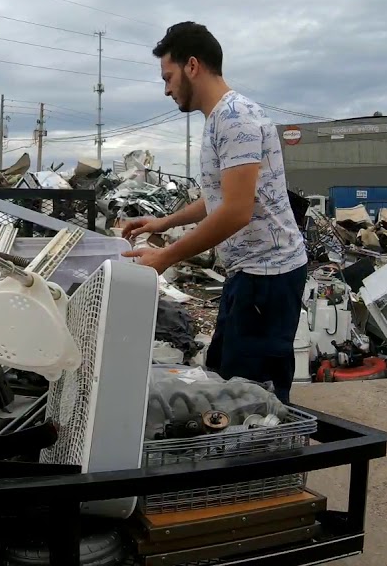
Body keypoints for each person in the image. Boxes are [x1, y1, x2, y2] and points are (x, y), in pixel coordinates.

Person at [122, 21, 308, 404]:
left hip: (268, 277)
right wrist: (164, 222)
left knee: (256, 398)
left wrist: (165, 257)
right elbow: (220, 198)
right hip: (249, 274)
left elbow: (237, 211)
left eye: (168, 76)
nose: (167, 88)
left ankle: (271, 462)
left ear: (193, 66)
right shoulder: (219, 119)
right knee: (226, 379)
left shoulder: (236, 118)